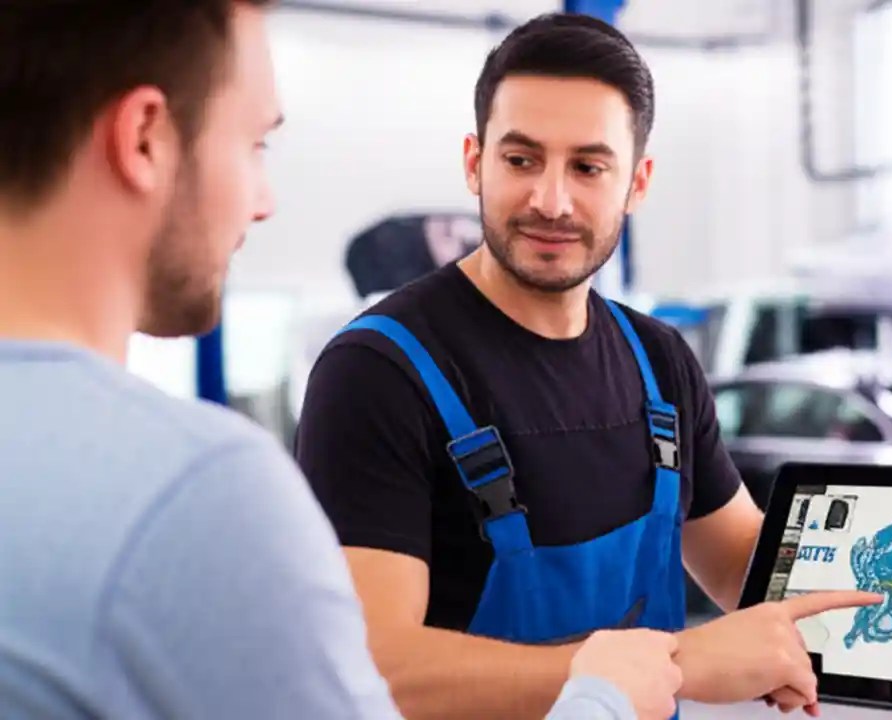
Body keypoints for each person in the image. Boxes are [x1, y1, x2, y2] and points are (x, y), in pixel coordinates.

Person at [0, 2, 681, 719]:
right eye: (255, 144)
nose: (263, 202)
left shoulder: (653, 355)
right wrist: (604, 690)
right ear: (144, 137)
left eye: (588, 166)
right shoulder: (192, 489)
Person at [293, 13, 885, 720]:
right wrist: (676, 662)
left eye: (587, 166)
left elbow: (740, 563)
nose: (551, 200)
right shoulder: (378, 373)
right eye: (521, 160)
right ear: (474, 162)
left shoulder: (661, 363)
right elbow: (373, 668)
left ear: (636, 182)